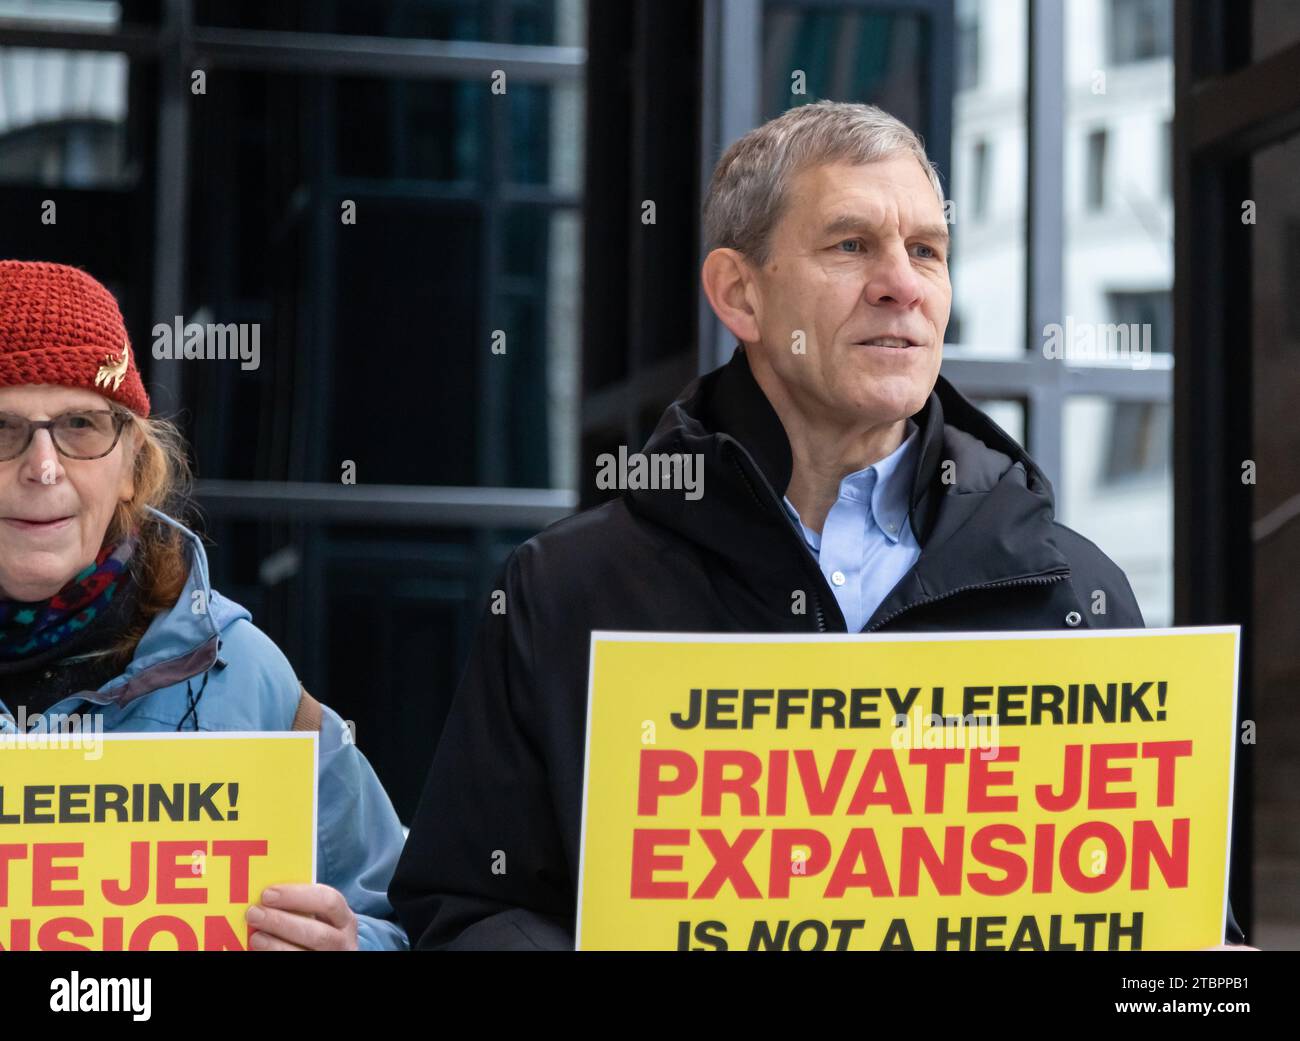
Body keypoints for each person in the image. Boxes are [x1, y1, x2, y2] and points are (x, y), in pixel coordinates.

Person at [389, 101, 1250, 949]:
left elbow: (1172, 934)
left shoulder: (1075, 591)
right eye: (851, 245)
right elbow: (464, 907)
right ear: (740, 294)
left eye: (926, 250)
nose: (902, 285)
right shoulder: (566, 589)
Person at [0, 260, 407, 950]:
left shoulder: (245, 673)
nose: (43, 467)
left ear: (132, 462)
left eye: (80, 424)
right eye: (1, 428)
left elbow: (407, 912)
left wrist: (351, 943)